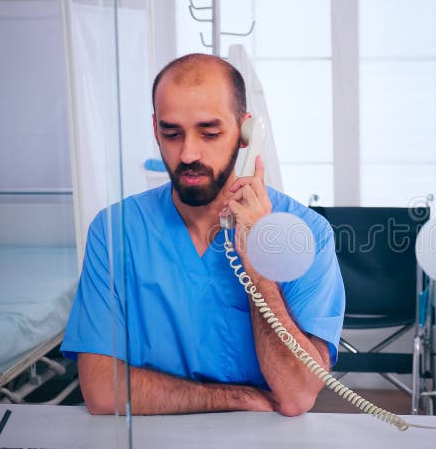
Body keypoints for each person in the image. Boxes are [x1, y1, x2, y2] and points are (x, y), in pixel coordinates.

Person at [61, 54, 346, 417]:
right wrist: (237, 399)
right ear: (155, 130)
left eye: (210, 133)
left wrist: (258, 259)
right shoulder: (115, 230)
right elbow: (102, 391)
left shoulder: (306, 233)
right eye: (171, 133)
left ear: (246, 134)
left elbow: (297, 396)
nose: (188, 153)